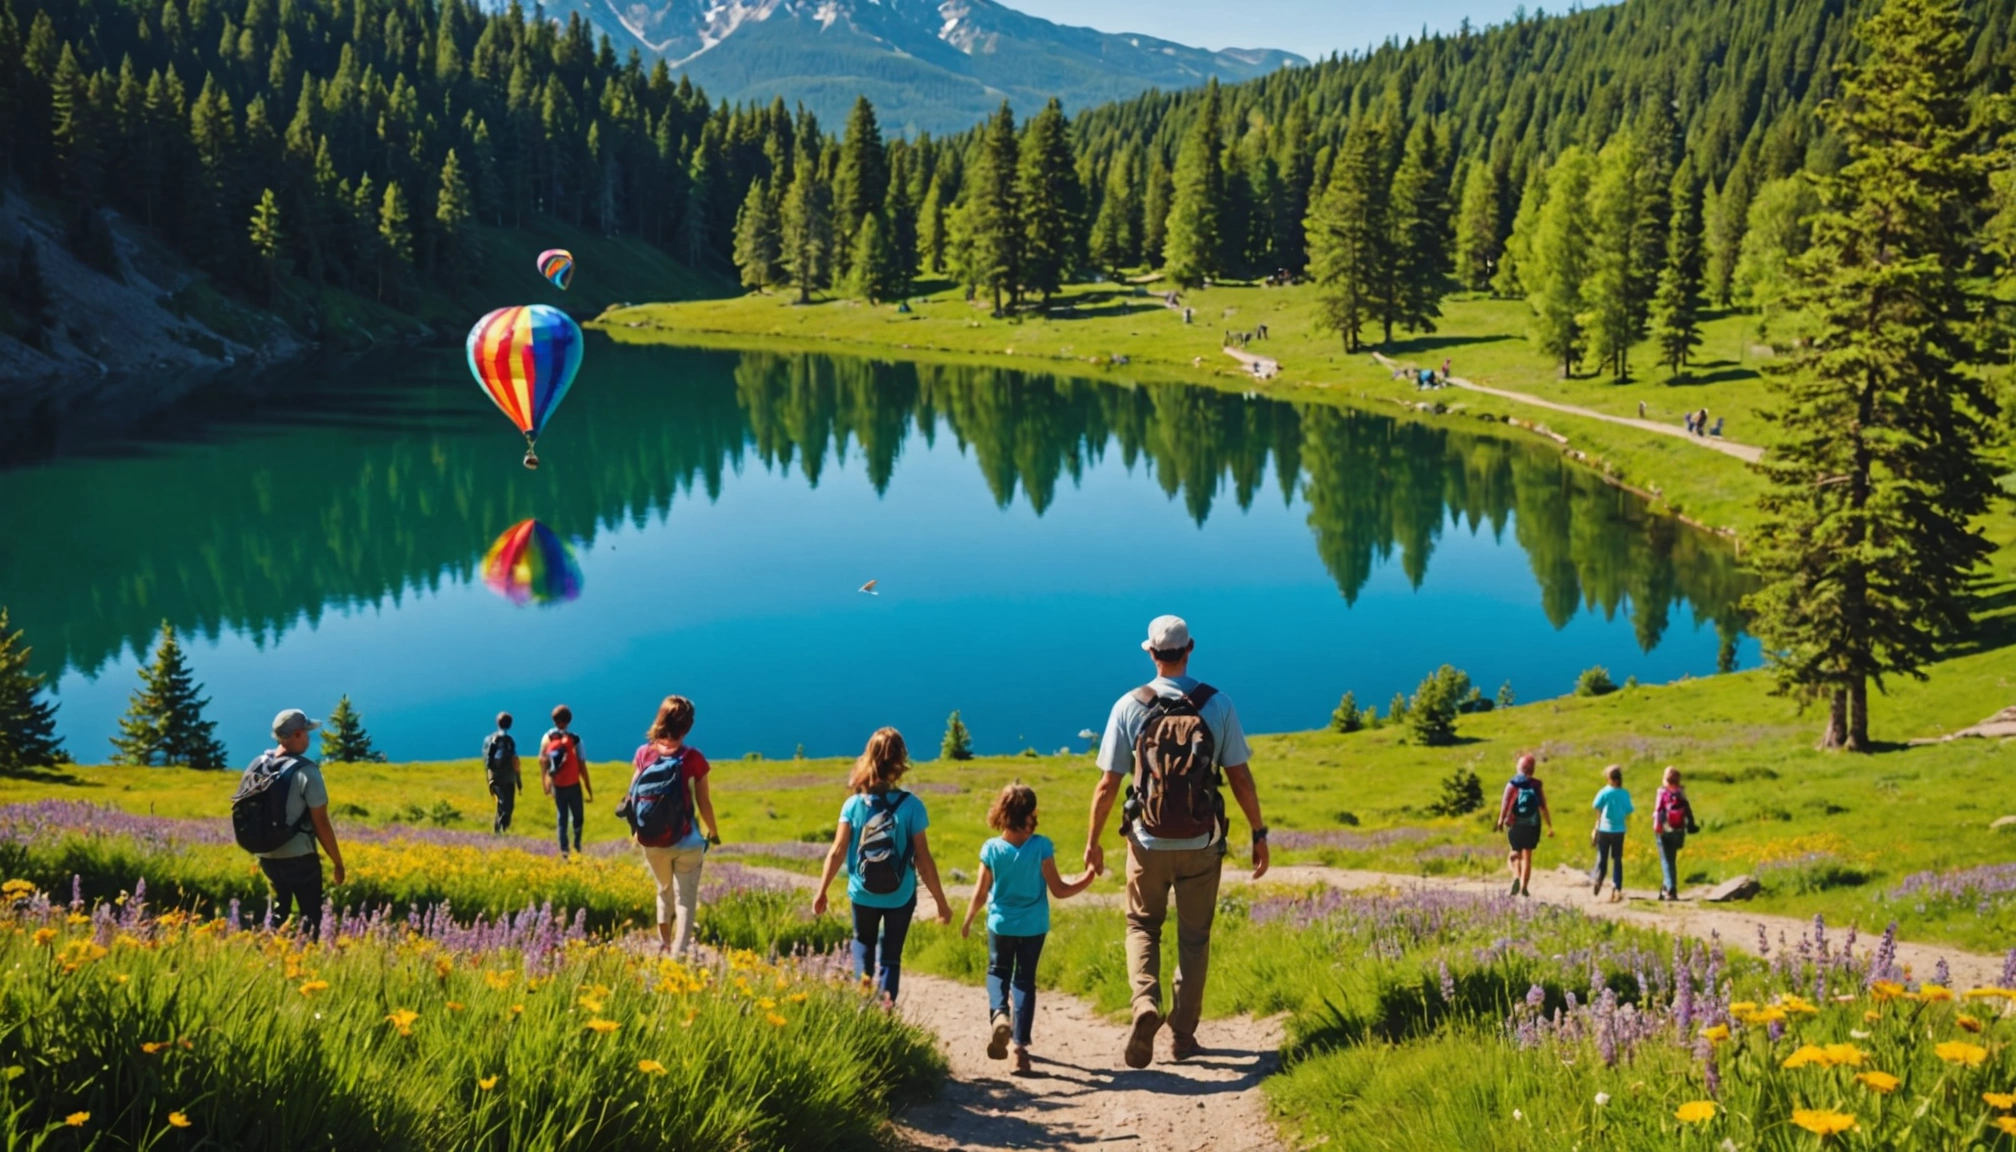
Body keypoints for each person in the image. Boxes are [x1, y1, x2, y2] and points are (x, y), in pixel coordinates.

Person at [1085, 615, 1269, 1068]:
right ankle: (1183, 1037)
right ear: (1190, 650)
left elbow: (1108, 785)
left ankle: (1145, 1004)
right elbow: (1239, 777)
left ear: (1150, 653)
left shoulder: (1129, 706)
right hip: (1202, 843)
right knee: (1194, 937)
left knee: (1142, 926)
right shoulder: (1217, 704)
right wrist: (1258, 833)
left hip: (1146, 842)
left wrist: (1093, 841)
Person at [961, 784, 1098, 1073]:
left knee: (998, 971)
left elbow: (980, 892)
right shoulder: (1041, 846)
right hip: (1034, 926)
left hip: (1001, 925)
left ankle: (999, 1014)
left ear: (1002, 811)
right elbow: (1059, 890)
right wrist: (1088, 879)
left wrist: (968, 919)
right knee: (1024, 981)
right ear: (1032, 813)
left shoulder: (991, 849)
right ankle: (1020, 1050)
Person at [813, 728, 952, 1001]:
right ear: (900, 762)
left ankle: (863, 1006)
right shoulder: (912, 806)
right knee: (891, 956)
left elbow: (837, 851)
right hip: (900, 895)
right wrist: (941, 903)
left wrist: (822, 891)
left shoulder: (853, 805)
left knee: (863, 943)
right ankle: (886, 1010)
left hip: (863, 894)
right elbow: (923, 860)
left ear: (869, 759)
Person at [624, 695, 720, 957]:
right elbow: (704, 804)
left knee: (664, 891)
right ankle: (678, 955)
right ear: (687, 726)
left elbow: (631, 796)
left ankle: (665, 945)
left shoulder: (644, 753)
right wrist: (713, 832)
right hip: (687, 841)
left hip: (652, 841)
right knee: (685, 899)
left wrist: (637, 832)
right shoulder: (693, 758)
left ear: (660, 719)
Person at [240, 709, 346, 937]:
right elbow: (321, 824)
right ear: (297, 734)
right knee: (311, 916)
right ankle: (307, 958)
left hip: (267, 856)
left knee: (282, 909)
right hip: (300, 858)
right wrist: (338, 862)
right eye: (306, 733)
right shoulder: (307, 771)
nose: (309, 738)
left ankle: (271, 950)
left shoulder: (257, 764)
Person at [1493, 753, 1554, 897]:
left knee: (1514, 853)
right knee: (1527, 856)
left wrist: (1501, 820)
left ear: (1519, 767)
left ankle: (1515, 876)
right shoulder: (1536, 785)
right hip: (1532, 825)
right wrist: (1549, 826)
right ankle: (1524, 887)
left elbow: (1506, 802)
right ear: (1533, 769)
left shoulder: (1513, 783)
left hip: (1516, 825)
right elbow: (1543, 806)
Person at [541, 705, 593, 858]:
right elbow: (582, 765)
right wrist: (588, 789)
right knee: (578, 817)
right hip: (573, 784)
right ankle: (577, 846)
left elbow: (543, 761)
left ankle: (564, 852)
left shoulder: (547, 738)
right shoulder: (575, 739)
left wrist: (546, 785)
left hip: (558, 785)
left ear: (554, 720)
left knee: (561, 818)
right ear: (569, 720)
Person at [1590, 764, 1634, 902]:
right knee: (1617, 859)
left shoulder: (1604, 792)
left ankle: (1599, 879)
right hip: (1619, 830)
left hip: (1604, 829)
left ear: (1609, 778)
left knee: (1602, 858)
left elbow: (1596, 806)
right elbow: (1629, 809)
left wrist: (1597, 823)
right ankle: (1616, 888)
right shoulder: (1625, 793)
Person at [1653, 767, 1698, 901]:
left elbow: (1659, 810)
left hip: (1665, 830)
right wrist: (1691, 824)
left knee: (1666, 860)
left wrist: (1657, 825)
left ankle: (1670, 889)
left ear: (1665, 780)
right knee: (1671, 859)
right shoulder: (1681, 793)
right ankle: (1667, 886)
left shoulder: (1662, 792)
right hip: (1679, 831)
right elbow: (1688, 810)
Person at [483, 712, 522, 834]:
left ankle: (498, 831)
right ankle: (503, 830)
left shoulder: (489, 739)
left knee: (500, 804)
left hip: (494, 777)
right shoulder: (510, 741)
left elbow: (486, 759)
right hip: (509, 777)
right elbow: (515, 760)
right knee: (508, 806)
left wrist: (489, 776)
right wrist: (519, 780)